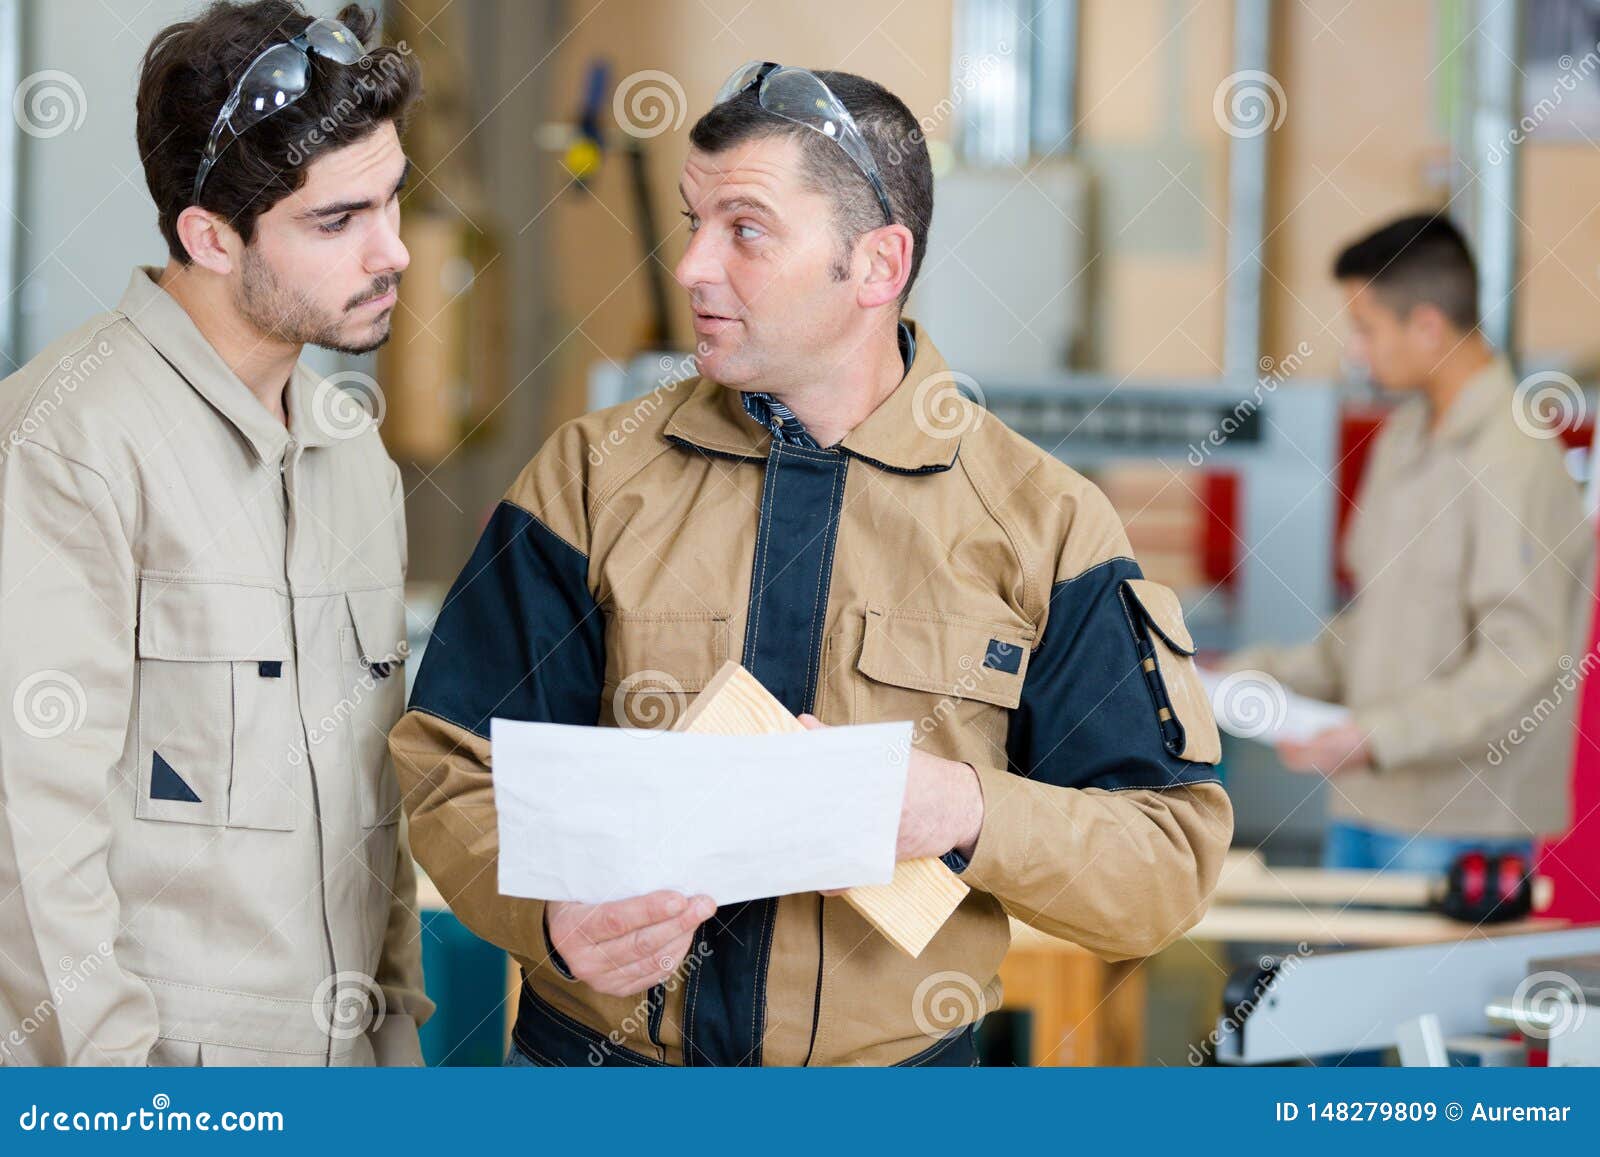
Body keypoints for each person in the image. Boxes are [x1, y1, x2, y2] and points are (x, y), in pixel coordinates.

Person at [391, 62, 1232, 1068]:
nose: (695, 264)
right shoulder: (587, 479)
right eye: (692, 220)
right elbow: (451, 761)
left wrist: (957, 806)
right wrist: (548, 911)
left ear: (876, 264)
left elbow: (1162, 864)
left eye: (743, 230)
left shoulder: (1044, 523)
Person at [0, 1, 431, 1065]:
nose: (395, 253)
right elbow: (27, 845)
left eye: (391, 202)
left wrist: (397, 1055)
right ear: (209, 235)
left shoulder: (352, 454)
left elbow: (377, 802)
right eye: (337, 222)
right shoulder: (63, 445)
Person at [1223, 214, 1586, 872]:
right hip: (1364, 804)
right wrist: (1246, 674)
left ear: (1427, 326)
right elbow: (1371, 627)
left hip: (1459, 827)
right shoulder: (1403, 440)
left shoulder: (1517, 461)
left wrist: (1374, 736)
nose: (1356, 351)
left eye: (1366, 328)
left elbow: (1520, 662)